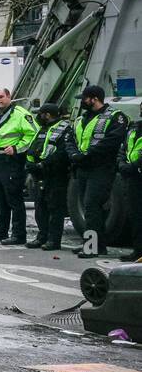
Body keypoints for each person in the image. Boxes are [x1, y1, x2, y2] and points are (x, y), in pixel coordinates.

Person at [70, 84, 130, 259]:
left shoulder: (115, 117)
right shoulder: (82, 119)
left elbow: (112, 141)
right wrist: (75, 154)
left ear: (94, 98)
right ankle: (94, 245)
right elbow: (71, 138)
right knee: (89, 207)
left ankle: (92, 247)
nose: (82, 102)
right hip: (82, 168)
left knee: (92, 206)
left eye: (85, 99)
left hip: (101, 168)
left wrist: (88, 155)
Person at [0, 88, 36, 245]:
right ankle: (0, 231)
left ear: (9, 96)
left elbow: (33, 134)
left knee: (13, 198)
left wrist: (17, 148)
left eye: (1, 97)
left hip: (11, 161)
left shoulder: (20, 113)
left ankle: (18, 234)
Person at [25, 102, 72, 250]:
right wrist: (31, 165)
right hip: (39, 174)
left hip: (56, 174)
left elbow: (62, 152)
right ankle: (42, 236)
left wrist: (43, 164)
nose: (39, 116)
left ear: (47, 115)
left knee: (55, 208)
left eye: (41, 114)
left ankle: (53, 240)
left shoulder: (64, 128)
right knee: (40, 207)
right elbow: (34, 149)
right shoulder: (42, 129)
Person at [119, 117, 142, 262]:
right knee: (136, 215)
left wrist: (132, 166)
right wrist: (121, 163)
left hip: (136, 171)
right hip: (133, 178)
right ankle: (138, 251)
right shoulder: (134, 128)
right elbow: (124, 148)